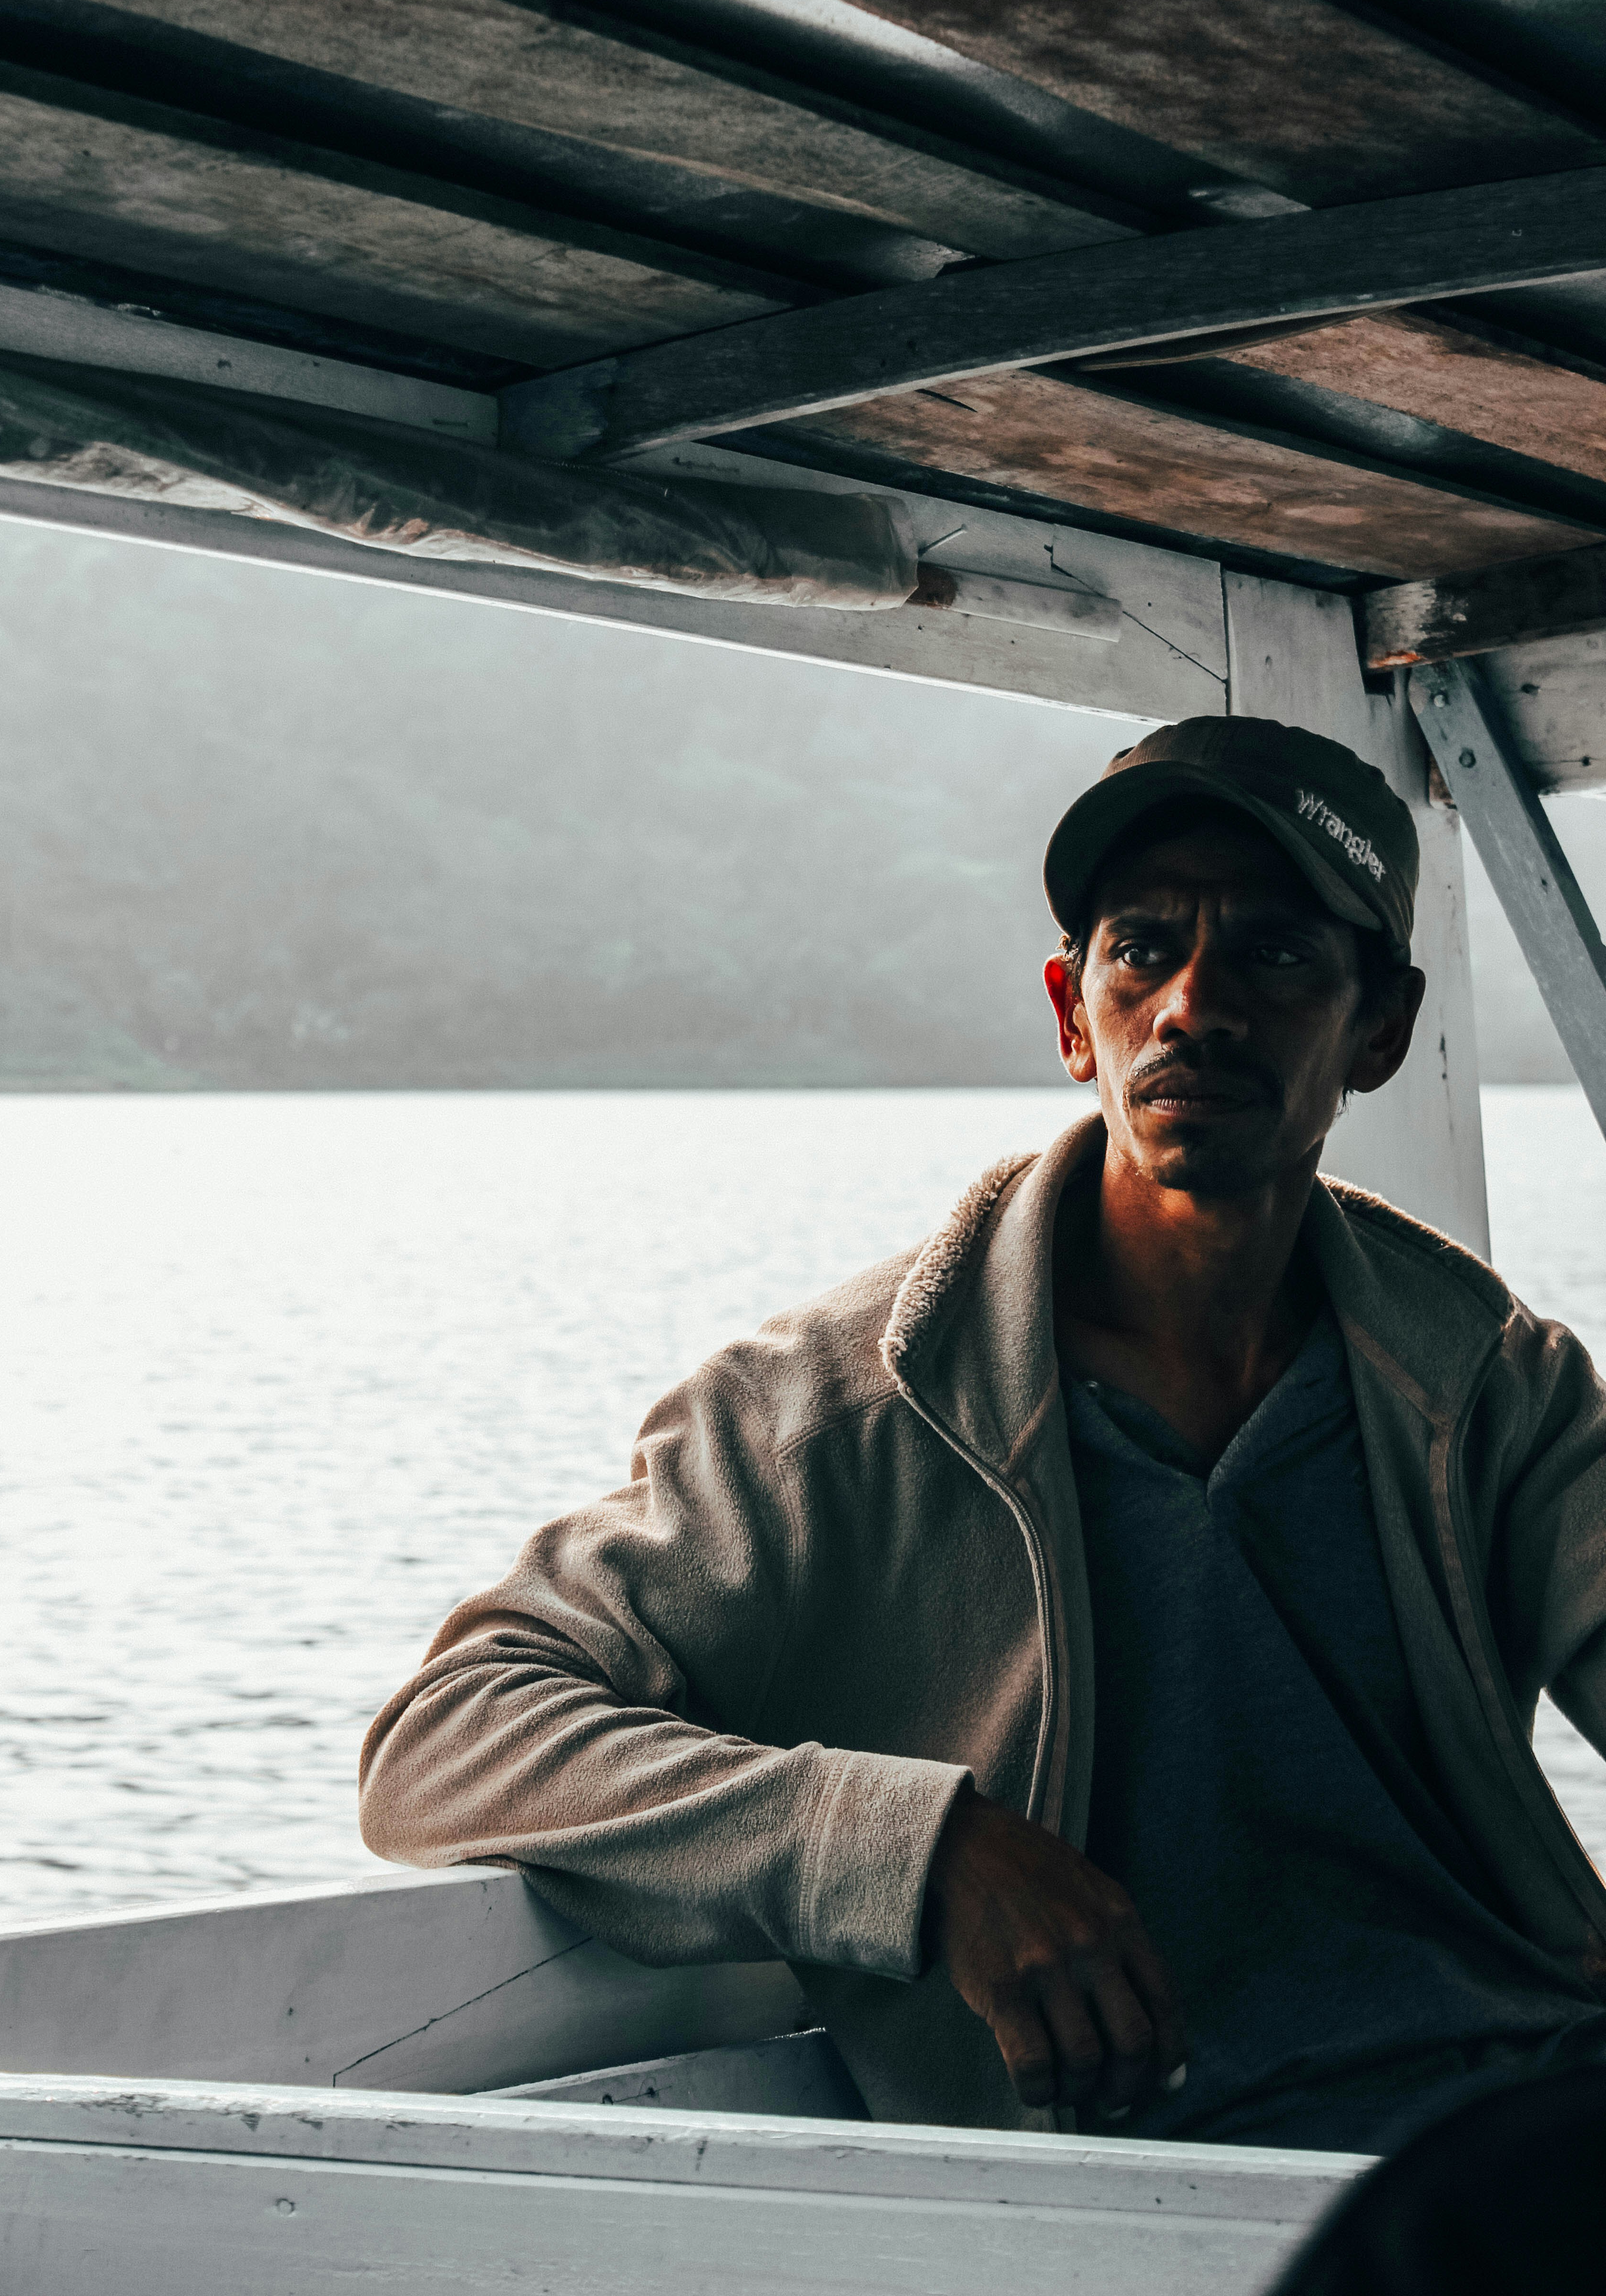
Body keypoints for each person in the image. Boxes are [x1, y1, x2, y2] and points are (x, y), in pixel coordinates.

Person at [360, 713, 1606, 2150]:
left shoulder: (1483, 1383)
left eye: (1273, 955)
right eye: (1143, 949)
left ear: (1379, 1029)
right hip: (1106, 2185)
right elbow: (449, 1739)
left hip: (1516, 2120)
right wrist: (925, 1850)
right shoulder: (825, 1414)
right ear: (1076, 1015)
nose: (1195, 1005)